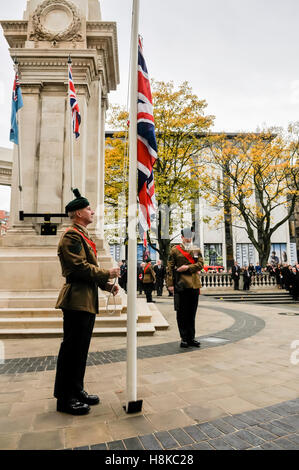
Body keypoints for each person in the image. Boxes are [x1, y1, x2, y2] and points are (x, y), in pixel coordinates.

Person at [54, 189, 120, 415]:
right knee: (72, 350)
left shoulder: (82, 235)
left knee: (81, 350)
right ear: (78, 212)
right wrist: (107, 273)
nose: (92, 211)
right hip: (76, 299)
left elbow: (87, 270)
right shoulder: (71, 236)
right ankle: (65, 398)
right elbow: (78, 268)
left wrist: (106, 285)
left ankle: (76, 389)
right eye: (89, 208)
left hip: (86, 298)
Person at [166, 227, 204, 348]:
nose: (189, 238)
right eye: (186, 236)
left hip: (194, 284)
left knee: (192, 313)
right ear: (182, 237)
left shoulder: (196, 249)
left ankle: (191, 337)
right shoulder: (175, 250)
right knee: (181, 312)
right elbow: (170, 268)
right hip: (181, 284)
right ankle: (184, 338)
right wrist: (170, 284)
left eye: (190, 236)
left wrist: (187, 268)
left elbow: (200, 264)